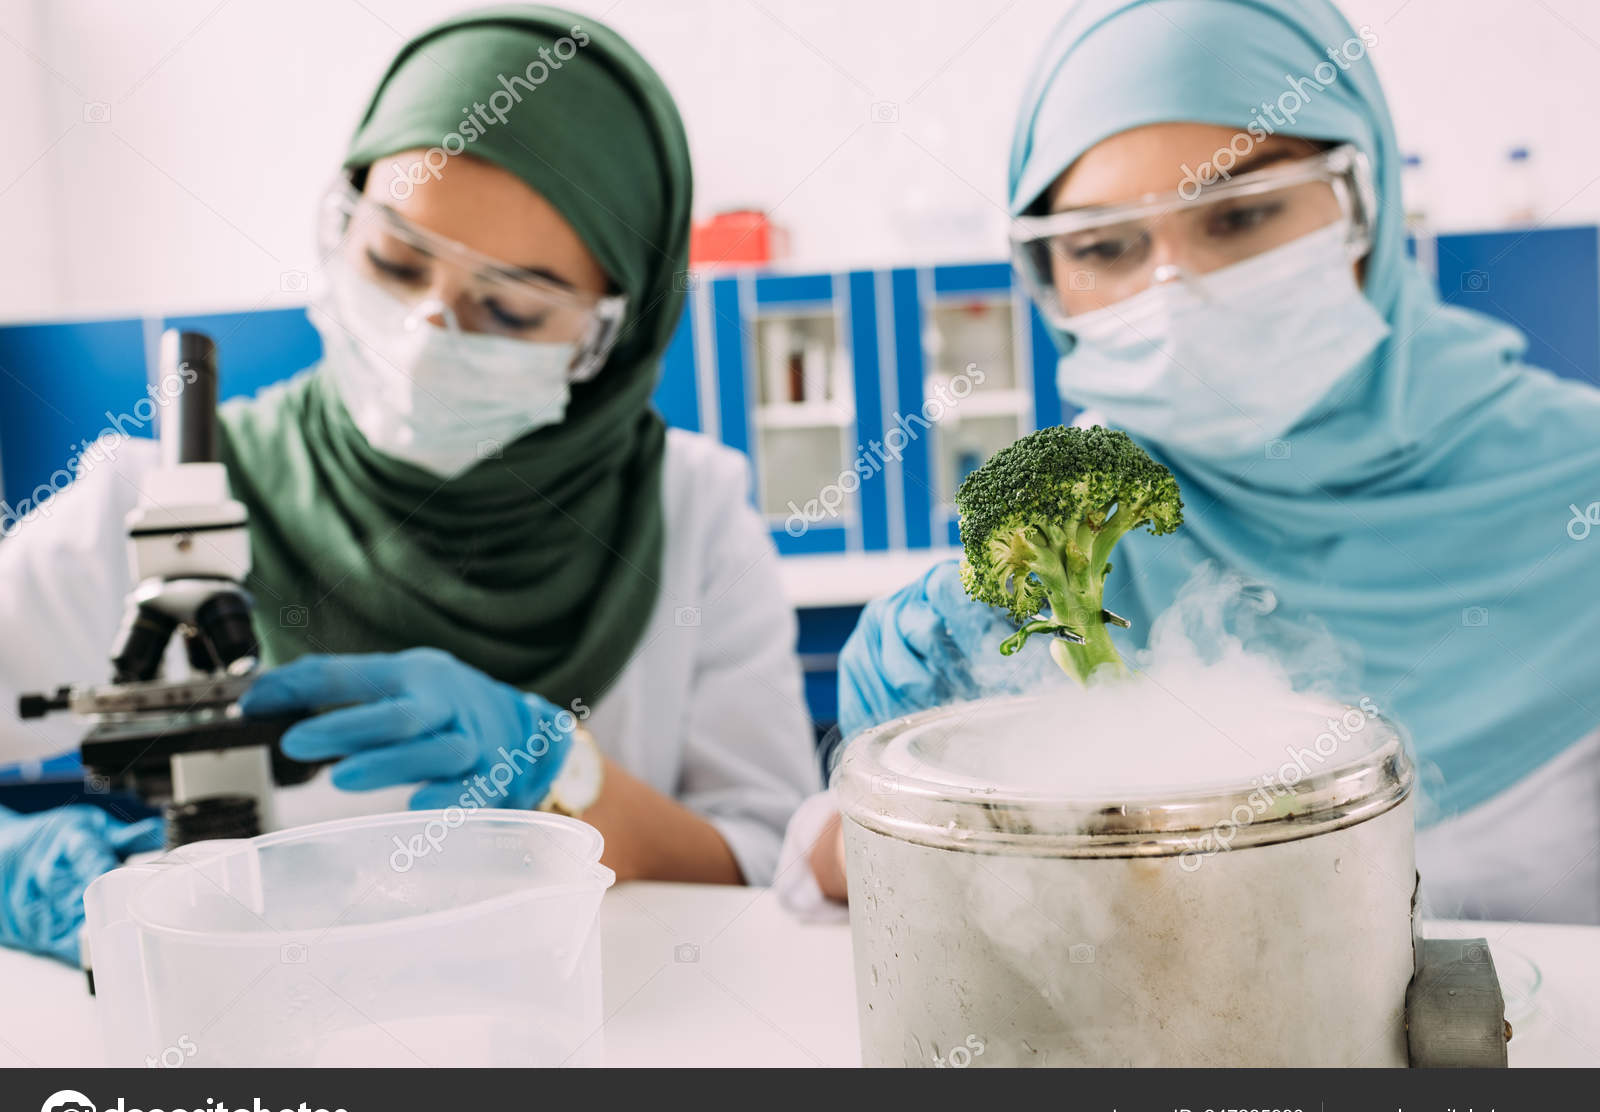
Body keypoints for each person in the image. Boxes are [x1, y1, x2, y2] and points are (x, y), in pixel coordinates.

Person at [0, 7, 817, 964]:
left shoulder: (695, 513)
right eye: (394, 262)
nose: (426, 336)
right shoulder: (153, 503)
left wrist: (562, 770)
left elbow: (771, 865)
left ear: (613, 337)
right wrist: (27, 869)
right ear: (341, 227)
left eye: (510, 309)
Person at [782, 0, 1600, 924]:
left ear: (1364, 203)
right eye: (1104, 246)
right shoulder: (1079, 546)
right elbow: (862, 908)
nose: (1174, 289)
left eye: (1241, 215)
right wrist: (897, 805)